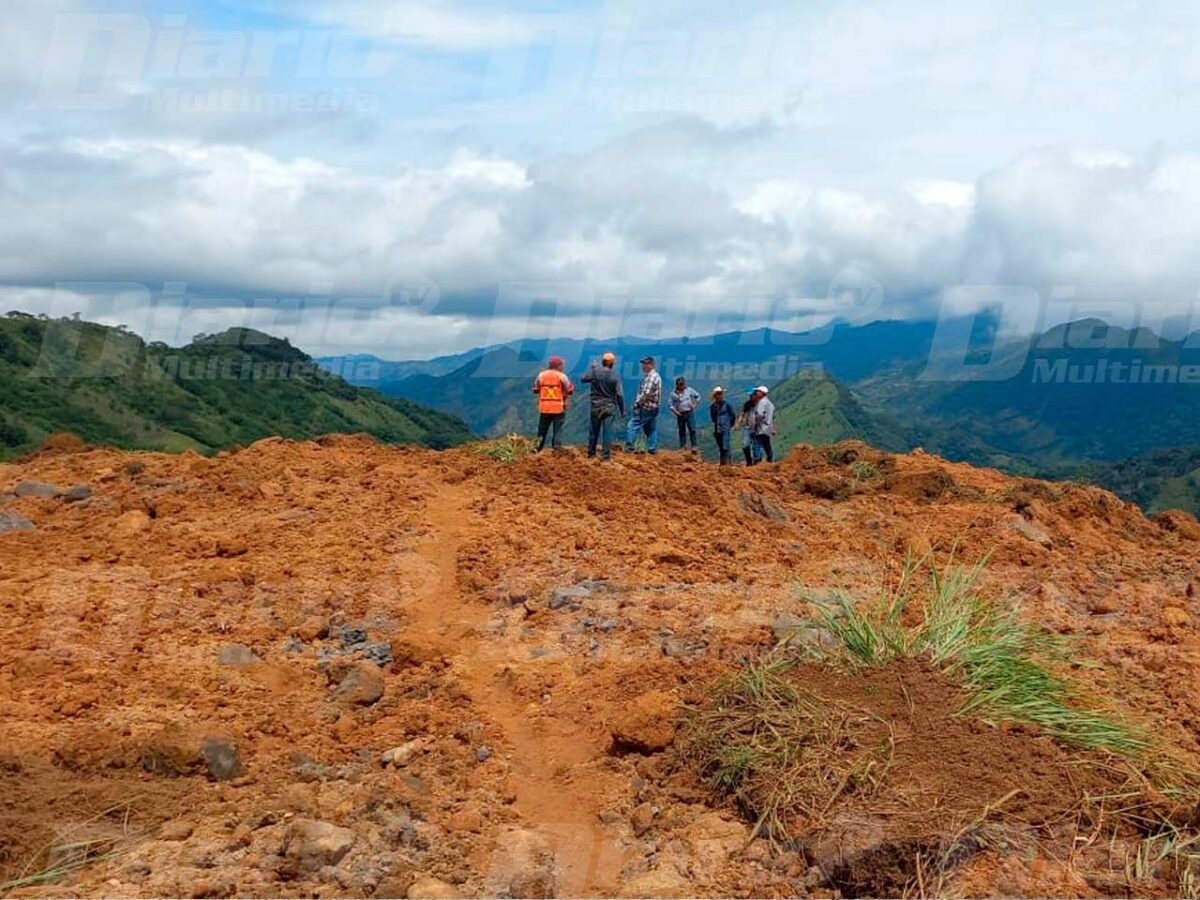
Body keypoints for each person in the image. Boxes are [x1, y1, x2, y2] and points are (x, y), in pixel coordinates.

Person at [580, 351, 625, 460]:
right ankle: (605, 456)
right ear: (612, 363)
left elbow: (583, 379)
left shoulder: (595, 372)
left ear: (602, 362)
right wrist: (622, 410)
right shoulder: (615, 376)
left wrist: (592, 368)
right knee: (607, 432)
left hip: (595, 406)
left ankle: (591, 454)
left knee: (593, 431)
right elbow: (619, 395)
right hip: (609, 407)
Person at [531, 355, 574, 451]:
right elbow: (570, 389)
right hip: (558, 407)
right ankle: (556, 449)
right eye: (562, 365)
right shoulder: (562, 376)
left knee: (542, 430)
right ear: (558, 366)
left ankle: (537, 448)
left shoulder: (541, 375)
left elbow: (535, 389)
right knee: (557, 429)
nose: (563, 367)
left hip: (544, 407)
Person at [625, 355, 662, 454]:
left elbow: (646, 394)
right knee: (650, 428)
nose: (643, 366)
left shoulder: (651, 377)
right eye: (643, 364)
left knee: (632, 425)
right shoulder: (654, 376)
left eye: (646, 364)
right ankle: (652, 448)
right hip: (653, 407)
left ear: (652, 365)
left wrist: (637, 403)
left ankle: (629, 447)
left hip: (646, 407)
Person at [668, 376, 702, 450]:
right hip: (680, 413)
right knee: (682, 430)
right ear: (677, 385)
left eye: (682, 384)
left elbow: (698, 396)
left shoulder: (689, 390)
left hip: (689, 412)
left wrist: (694, 404)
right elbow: (670, 404)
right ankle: (682, 446)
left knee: (692, 428)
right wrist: (675, 411)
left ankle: (694, 446)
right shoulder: (673, 393)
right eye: (680, 384)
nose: (682, 386)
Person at [709, 386, 736, 465]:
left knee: (725, 445)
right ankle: (723, 463)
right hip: (717, 428)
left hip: (725, 428)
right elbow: (713, 418)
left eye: (721, 394)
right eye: (718, 394)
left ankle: (728, 463)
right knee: (721, 447)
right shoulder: (712, 407)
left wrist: (729, 424)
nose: (720, 396)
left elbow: (733, 415)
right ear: (715, 396)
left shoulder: (727, 405)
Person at [749, 385, 776, 463]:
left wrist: (756, 422)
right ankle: (770, 460)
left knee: (756, 444)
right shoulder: (770, 403)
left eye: (758, 391)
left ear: (761, 393)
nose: (756, 393)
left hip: (760, 427)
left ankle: (757, 461)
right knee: (767, 444)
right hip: (767, 428)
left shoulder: (761, 402)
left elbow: (760, 414)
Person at [735, 388, 758, 465]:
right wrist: (738, 423)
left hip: (757, 427)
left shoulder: (760, 404)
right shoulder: (747, 404)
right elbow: (742, 414)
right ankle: (749, 460)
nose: (750, 397)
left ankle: (756, 462)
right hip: (748, 427)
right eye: (750, 395)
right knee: (745, 444)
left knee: (756, 446)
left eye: (752, 395)